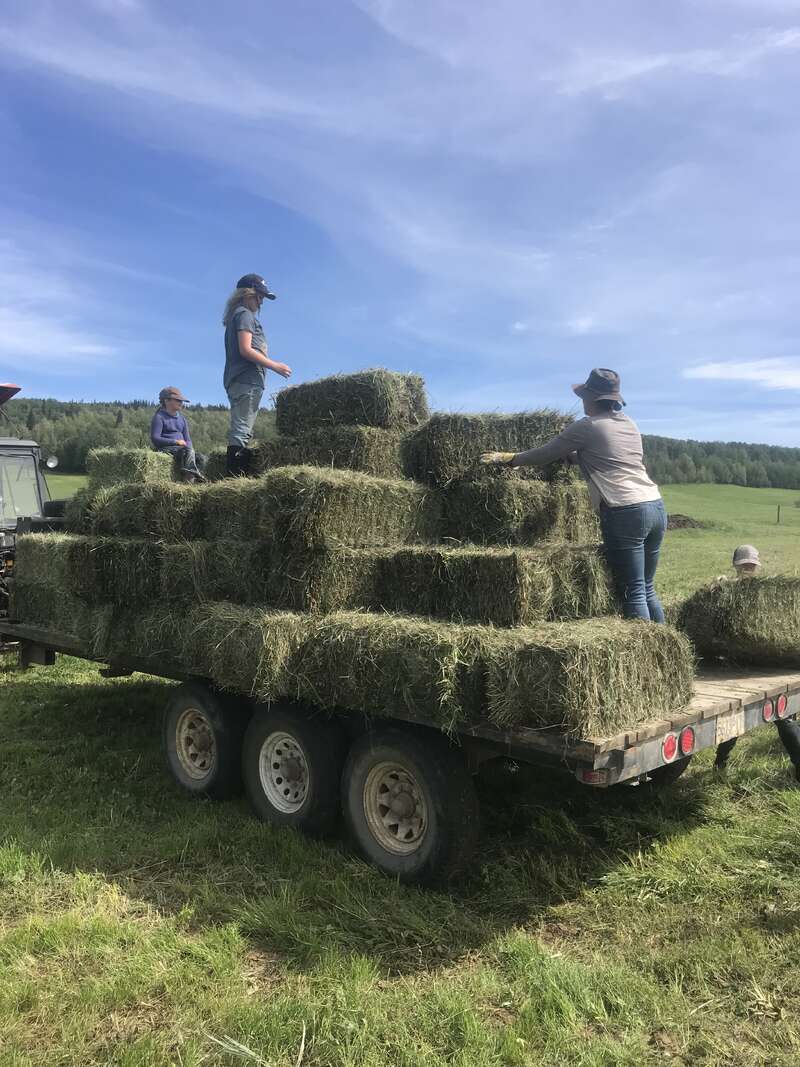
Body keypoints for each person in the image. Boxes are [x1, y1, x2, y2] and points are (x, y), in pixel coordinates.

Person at [480, 367, 667, 622]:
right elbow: (611, 456)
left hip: (625, 510)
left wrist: (511, 459)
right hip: (655, 506)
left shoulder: (586, 427)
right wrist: (575, 458)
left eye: (584, 397)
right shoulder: (629, 424)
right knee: (646, 587)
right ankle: (661, 653)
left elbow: (545, 453)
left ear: (591, 398)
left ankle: (647, 653)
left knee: (632, 591)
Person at [222, 273, 292, 477]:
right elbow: (245, 349)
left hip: (240, 379)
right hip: (246, 379)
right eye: (257, 296)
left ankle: (236, 478)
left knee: (242, 428)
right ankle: (236, 479)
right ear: (246, 294)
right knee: (242, 431)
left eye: (262, 297)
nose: (261, 301)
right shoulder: (244, 314)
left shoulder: (238, 314)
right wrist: (275, 366)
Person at [150, 387, 205, 483]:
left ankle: (197, 478)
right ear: (166, 400)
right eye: (177, 400)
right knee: (188, 451)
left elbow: (188, 439)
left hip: (182, 449)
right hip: (166, 449)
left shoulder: (182, 419)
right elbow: (155, 438)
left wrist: (190, 448)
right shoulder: (159, 417)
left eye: (181, 401)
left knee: (201, 457)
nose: (181, 403)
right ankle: (189, 480)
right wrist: (175, 442)